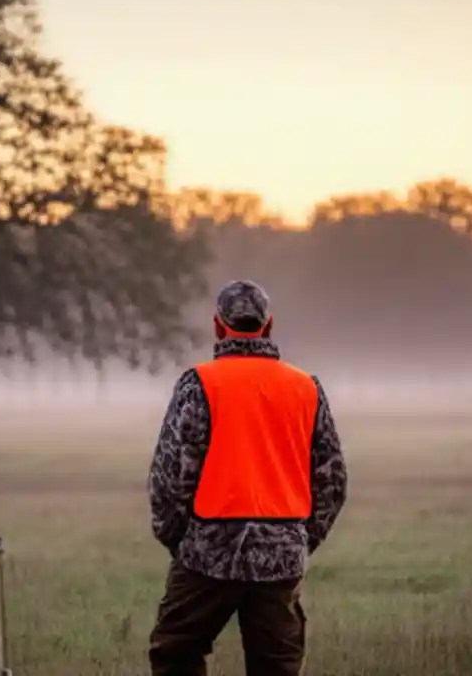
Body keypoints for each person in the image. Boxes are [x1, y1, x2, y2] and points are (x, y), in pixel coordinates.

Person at [147, 279, 347, 675]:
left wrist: (180, 541)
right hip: (282, 554)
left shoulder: (199, 384)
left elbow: (171, 476)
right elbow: (332, 482)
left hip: (207, 552)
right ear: (268, 325)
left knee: (175, 655)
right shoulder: (306, 387)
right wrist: (298, 539)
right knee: (276, 667)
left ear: (219, 327)